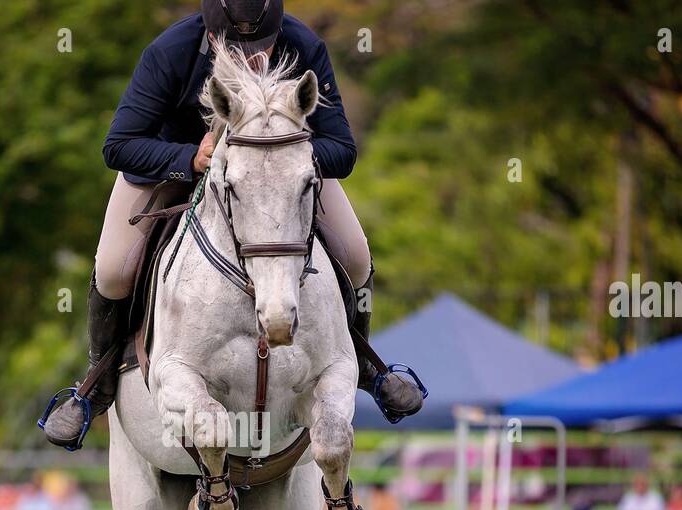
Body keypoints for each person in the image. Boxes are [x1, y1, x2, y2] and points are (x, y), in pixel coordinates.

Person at [40, 0, 424, 449]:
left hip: (277, 175)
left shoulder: (303, 45)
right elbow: (119, 145)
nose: (251, 55)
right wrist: (189, 157)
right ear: (212, 29)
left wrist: (279, 157)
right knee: (111, 270)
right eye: (236, 45)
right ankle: (97, 385)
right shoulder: (171, 51)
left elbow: (342, 148)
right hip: (173, 169)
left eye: (260, 44)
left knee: (356, 255)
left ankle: (366, 365)